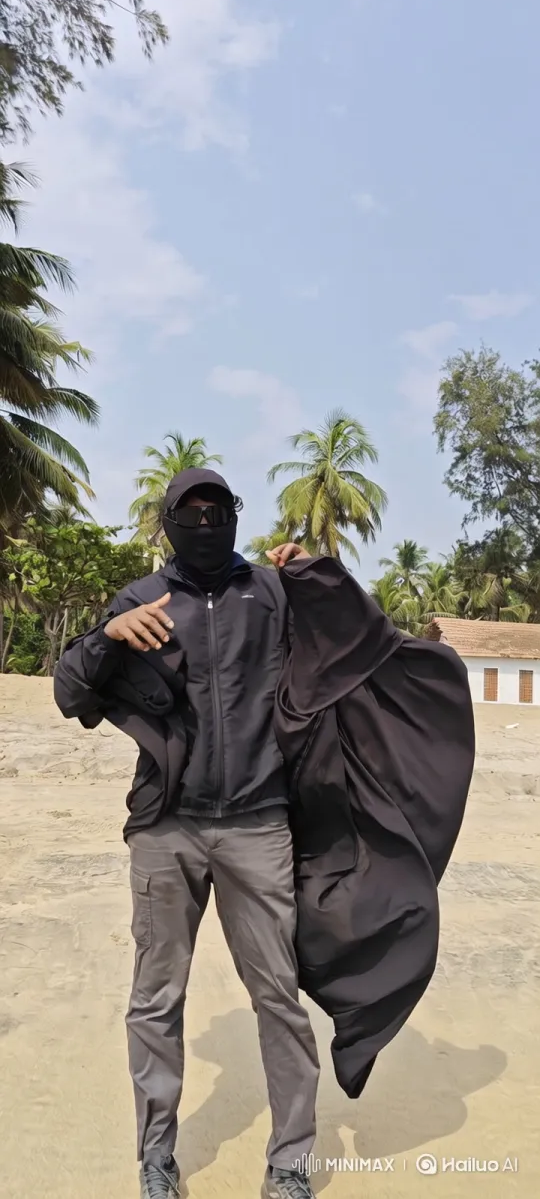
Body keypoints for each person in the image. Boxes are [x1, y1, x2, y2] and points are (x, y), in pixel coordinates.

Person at [54, 468, 320, 1199]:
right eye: (189, 513)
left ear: (235, 516)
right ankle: (156, 1158)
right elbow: (69, 689)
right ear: (168, 521)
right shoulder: (140, 598)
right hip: (165, 829)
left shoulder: (267, 592)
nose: (205, 525)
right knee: (156, 998)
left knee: (278, 998)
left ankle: (291, 1161)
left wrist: (314, 571)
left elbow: (343, 635)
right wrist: (109, 636)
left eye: (217, 511)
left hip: (260, 824)